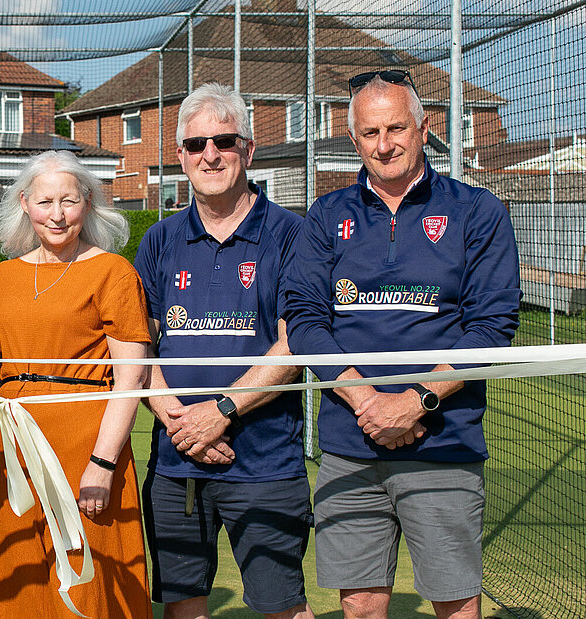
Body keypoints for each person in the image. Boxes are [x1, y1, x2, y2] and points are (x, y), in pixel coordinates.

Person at [283, 70, 521, 619]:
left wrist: (415, 401)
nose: (384, 144)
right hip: (351, 442)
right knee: (361, 604)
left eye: (396, 128)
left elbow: (491, 325)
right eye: (370, 133)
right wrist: (370, 404)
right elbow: (306, 322)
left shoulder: (477, 211)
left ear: (423, 128)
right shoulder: (326, 215)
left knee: (455, 603)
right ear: (354, 139)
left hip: (443, 442)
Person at [135, 83, 316, 619]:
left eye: (224, 140)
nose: (210, 154)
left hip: (264, 461)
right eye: (196, 145)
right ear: (180, 157)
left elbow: (294, 343)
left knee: (283, 606)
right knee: (182, 608)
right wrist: (180, 424)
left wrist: (220, 412)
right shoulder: (159, 240)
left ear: (249, 149)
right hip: (176, 462)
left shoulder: (291, 234)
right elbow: (139, 347)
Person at [0, 150, 153, 618]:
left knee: (92, 576)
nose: (57, 214)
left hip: (84, 448)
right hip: (10, 449)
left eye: (69, 201)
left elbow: (131, 378)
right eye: (45, 201)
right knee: (15, 578)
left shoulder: (113, 271)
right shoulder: (2, 276)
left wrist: (103, 463)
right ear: (25, 205)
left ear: (88, 204)